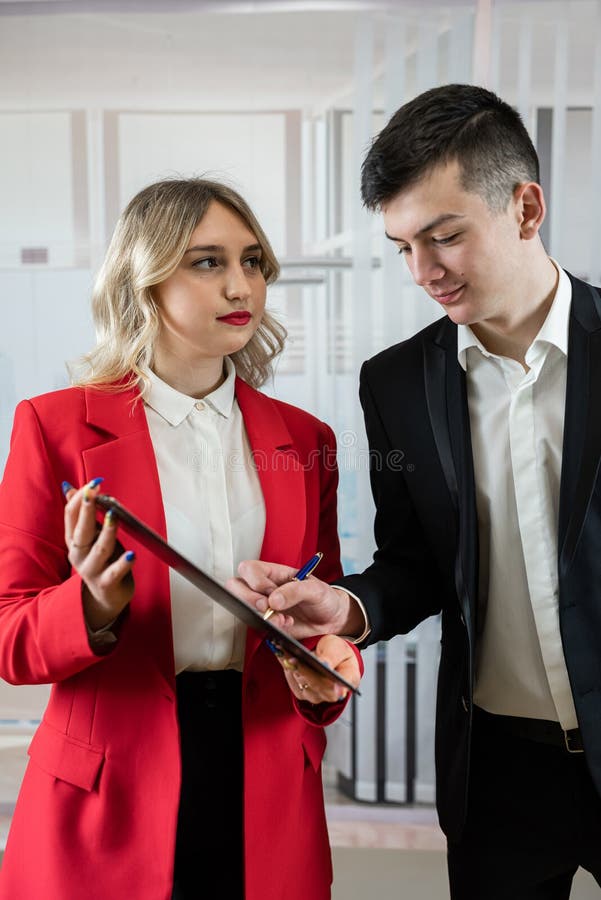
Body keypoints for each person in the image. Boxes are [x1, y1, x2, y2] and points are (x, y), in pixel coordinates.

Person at [228, 85, 601, 898]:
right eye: (402, 246)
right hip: (497, 771)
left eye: (444, 237)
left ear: (525, 208)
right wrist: (344, 608)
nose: (423, 272)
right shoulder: (395, 382)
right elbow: (415, 563)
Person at [0, 177, 361, 900]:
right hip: (110, 790)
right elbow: (9, 635)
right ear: (146, 278)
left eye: (252, 261)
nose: (241, 285)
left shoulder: (305, 440)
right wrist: (92, 605)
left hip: (265, 782)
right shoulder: (53, 428)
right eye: (207, 262)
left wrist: (327, 667)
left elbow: (320, 607)